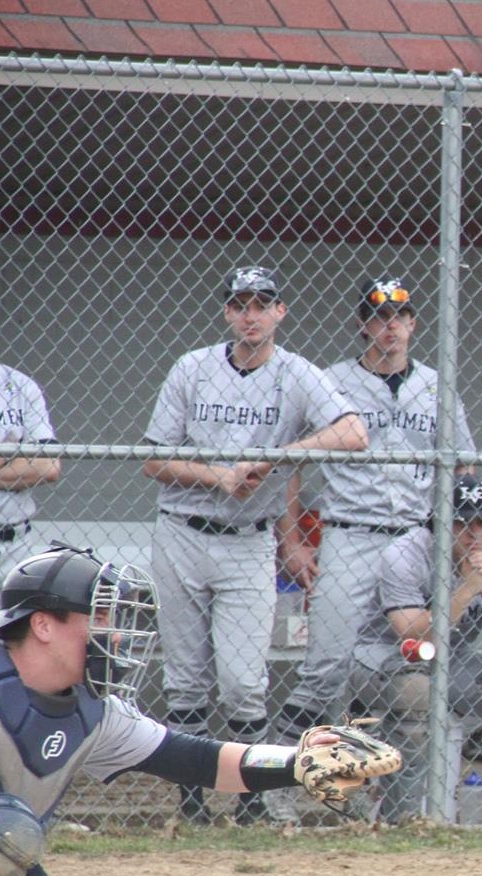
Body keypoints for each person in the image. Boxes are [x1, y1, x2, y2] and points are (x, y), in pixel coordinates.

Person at [0, 544, 393, 876]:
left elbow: (195, 758)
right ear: (43, 625)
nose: (112, 632)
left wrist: (296, 763)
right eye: (100, 615)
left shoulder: (94, 710)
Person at [142, 266, 365, 825]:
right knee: (186, 678)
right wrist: (217, 476)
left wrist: (275, 458)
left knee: (243, 683)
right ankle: (190, 807)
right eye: (241, 304)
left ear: (280, 312)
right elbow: (151, 458)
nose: (251, 315)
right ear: (227, 313)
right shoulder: (192, 368)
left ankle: (247, 804)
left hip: (249, 541)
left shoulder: (297, 374)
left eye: (262, 304)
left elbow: (353, 433)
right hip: (183, 530)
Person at [273, 276, 475, 742]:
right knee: (326, 666)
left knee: (411, 662)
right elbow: (292, 464)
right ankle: (274, 778)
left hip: (417, 537)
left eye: (400, 315)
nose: (391, 325)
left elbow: (463, 470)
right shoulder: (332, 382)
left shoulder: (436, 386)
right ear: (363, 324)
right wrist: (292, 540)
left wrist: (460, 542)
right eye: (380, 316)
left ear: (413, 323)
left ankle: (372, 784)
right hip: (350, 532)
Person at [348, 476, 482, 823]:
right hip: (381, 655)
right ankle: (404, 821)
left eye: (481, 523)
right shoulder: (405, 554)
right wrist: (468, 588)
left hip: (452, 662)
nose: (472, 532)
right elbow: (415, 643)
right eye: (461, 522)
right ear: (438, 522)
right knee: (415, 685)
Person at [0, 279, 60, 626]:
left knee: (13, 654)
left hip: (17, 543)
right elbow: (31, 464)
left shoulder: (19, 386)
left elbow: (49, 467)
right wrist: (7, 454)